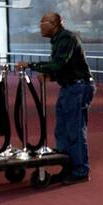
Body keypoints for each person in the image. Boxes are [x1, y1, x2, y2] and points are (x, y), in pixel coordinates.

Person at [29, 12, 93, 184]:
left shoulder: (66, 39)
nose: (40, 25)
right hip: (69, 87)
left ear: (53, 24)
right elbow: (64, 67)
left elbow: (59, 64)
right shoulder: (58, 40)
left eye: (42, 22)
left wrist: (32, 66)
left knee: (75, 131)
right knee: (62, 131)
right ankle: (68, 168)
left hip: (78, 88)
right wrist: (51, 75)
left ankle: (80, 171)